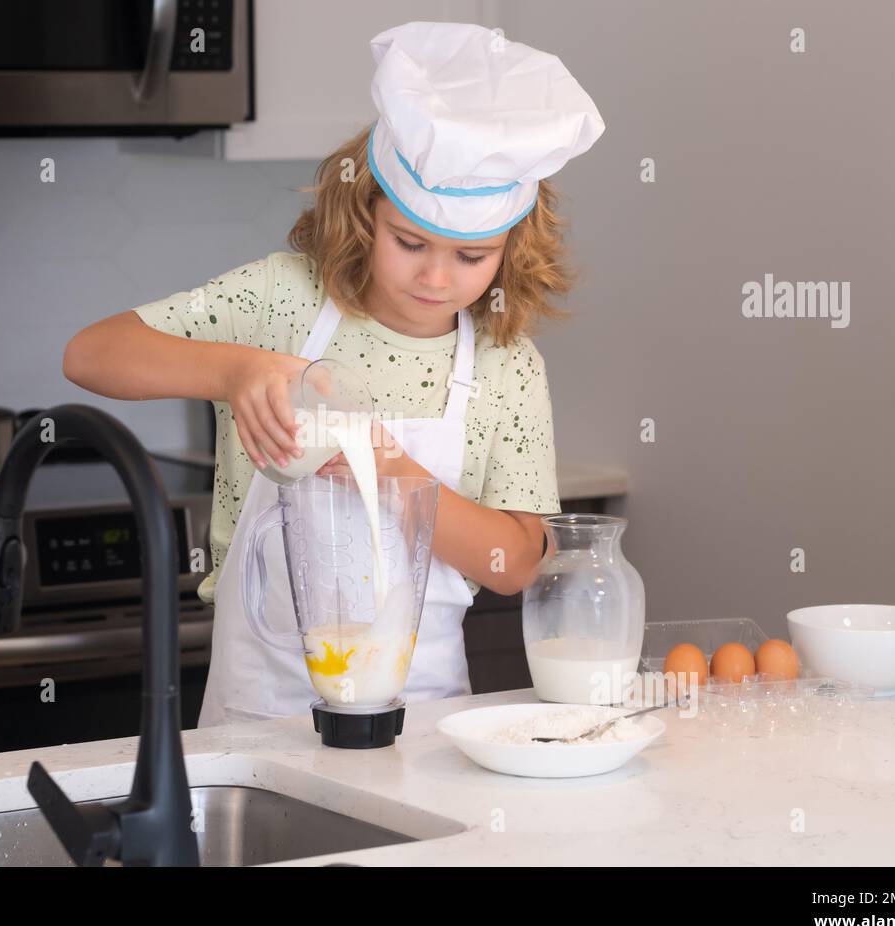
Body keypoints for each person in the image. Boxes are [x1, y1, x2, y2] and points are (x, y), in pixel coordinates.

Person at [63, 22, 605, 726]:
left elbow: (521, 563)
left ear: (512, 248)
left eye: (472, 257)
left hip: (423, 724)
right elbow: (91, 354)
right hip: (260, 717)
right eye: (409, 242)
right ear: (363, 212)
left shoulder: (506, 363)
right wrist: (236, 370)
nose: (436, 278)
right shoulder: (281, 301)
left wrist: (391, 471)